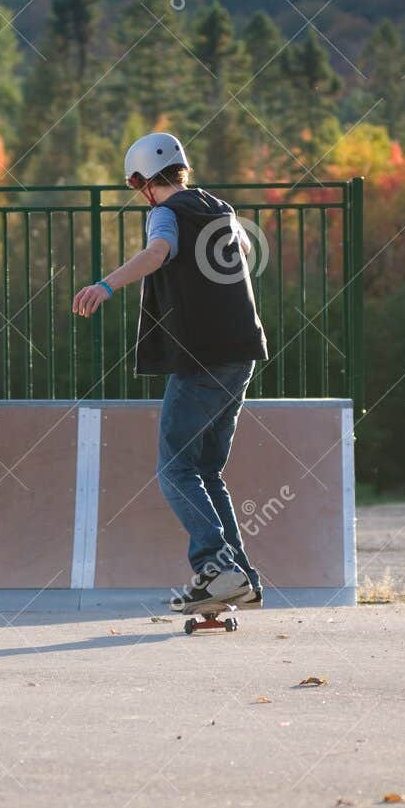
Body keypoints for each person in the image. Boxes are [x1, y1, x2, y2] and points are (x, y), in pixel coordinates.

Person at [72, 133, 269, 610]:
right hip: (241, 353)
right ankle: (239, 577)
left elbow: (158, 252)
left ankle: (216, 569)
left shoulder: (164, 212)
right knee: (206, 470)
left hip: (200, 358)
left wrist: (106, 284)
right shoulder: (219, 207)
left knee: (174, 469)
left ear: (142, 182)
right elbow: (243, 248)